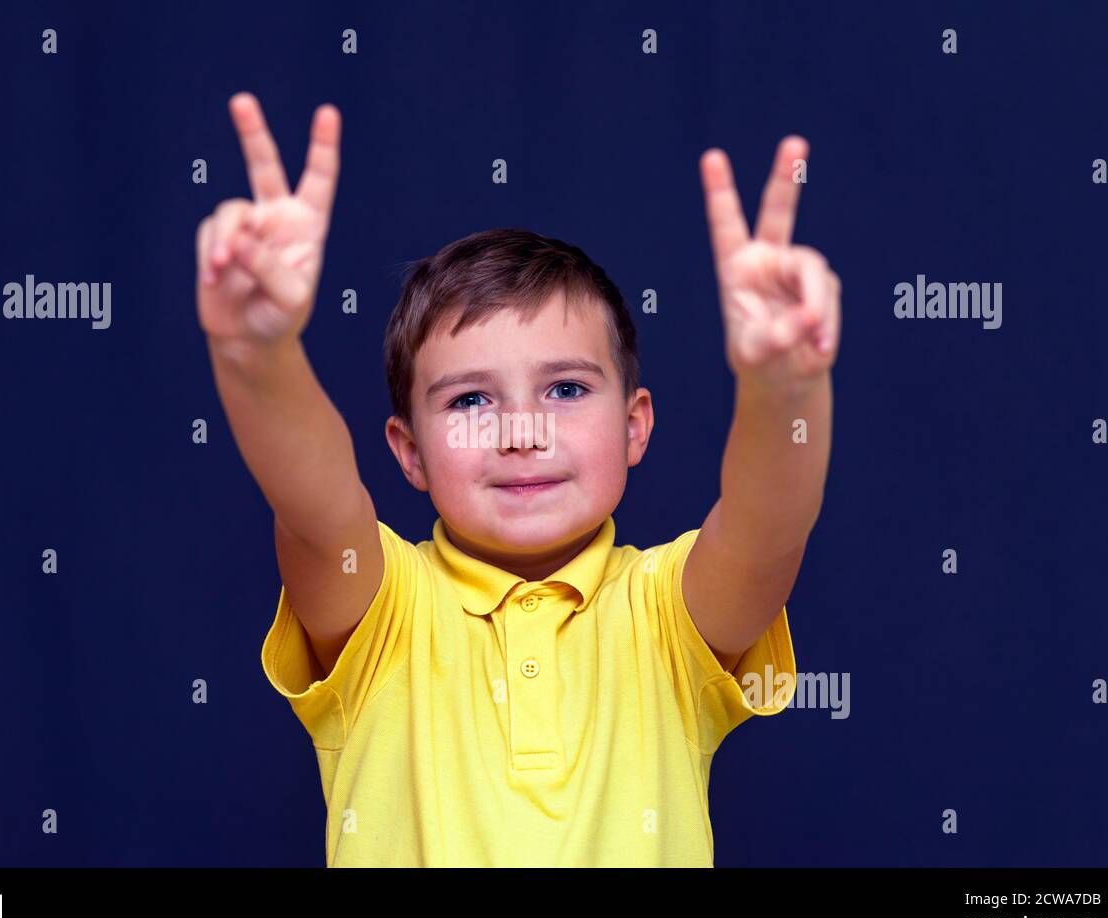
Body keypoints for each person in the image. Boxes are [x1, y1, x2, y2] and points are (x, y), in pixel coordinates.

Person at [196, 92, 840, 866]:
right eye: (470, 400)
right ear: (409, 452)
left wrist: (785, 387)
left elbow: (770, 524)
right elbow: (311, 502)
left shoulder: (668, 615)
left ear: (635, 424)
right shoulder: (381, 607)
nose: (522, 431)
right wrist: (256, 353)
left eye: (565, 389)